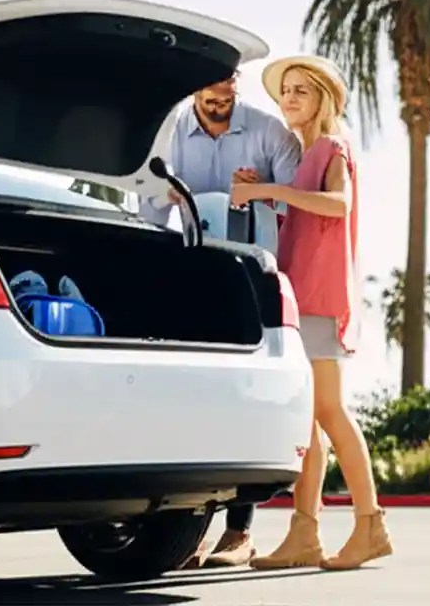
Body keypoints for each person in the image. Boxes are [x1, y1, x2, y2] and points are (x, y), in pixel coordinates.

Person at [231, 54, 392, 571]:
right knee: (307, 423)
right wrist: (268, 189)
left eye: (302, 90)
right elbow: (301, 217)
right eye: (286, 91)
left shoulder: (333, 147)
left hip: (320, 297)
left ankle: (370, 525)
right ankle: (305, 533)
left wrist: (270, 190)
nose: (291, 99)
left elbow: (337, 206)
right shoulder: (305, 155)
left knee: (328, 412)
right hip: (300, 296)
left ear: (323, 98)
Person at [141, 69, 302, 569]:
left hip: (250, 277)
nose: (217, 103)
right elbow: (146, 198)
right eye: (208, 96)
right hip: (188, 277)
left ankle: (240, 532)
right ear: (194, 91)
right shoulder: (168, 132)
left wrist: (263, 191)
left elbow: (298, 203)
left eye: (224, 94)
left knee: (245, 395)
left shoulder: (268, 131)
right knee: (198, 398)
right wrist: (168, 196)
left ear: (236, 85)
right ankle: (194, 535)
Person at [139, 69, 301, 232]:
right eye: (212, 97)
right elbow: (149, 214)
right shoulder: (170, 134)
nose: (220, 96)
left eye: (228, 82)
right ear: (193, 86)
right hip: (194, 249)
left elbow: (297, 211)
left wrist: (260, 193)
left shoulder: (272, 132)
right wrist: (166, 195)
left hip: (258, 251)